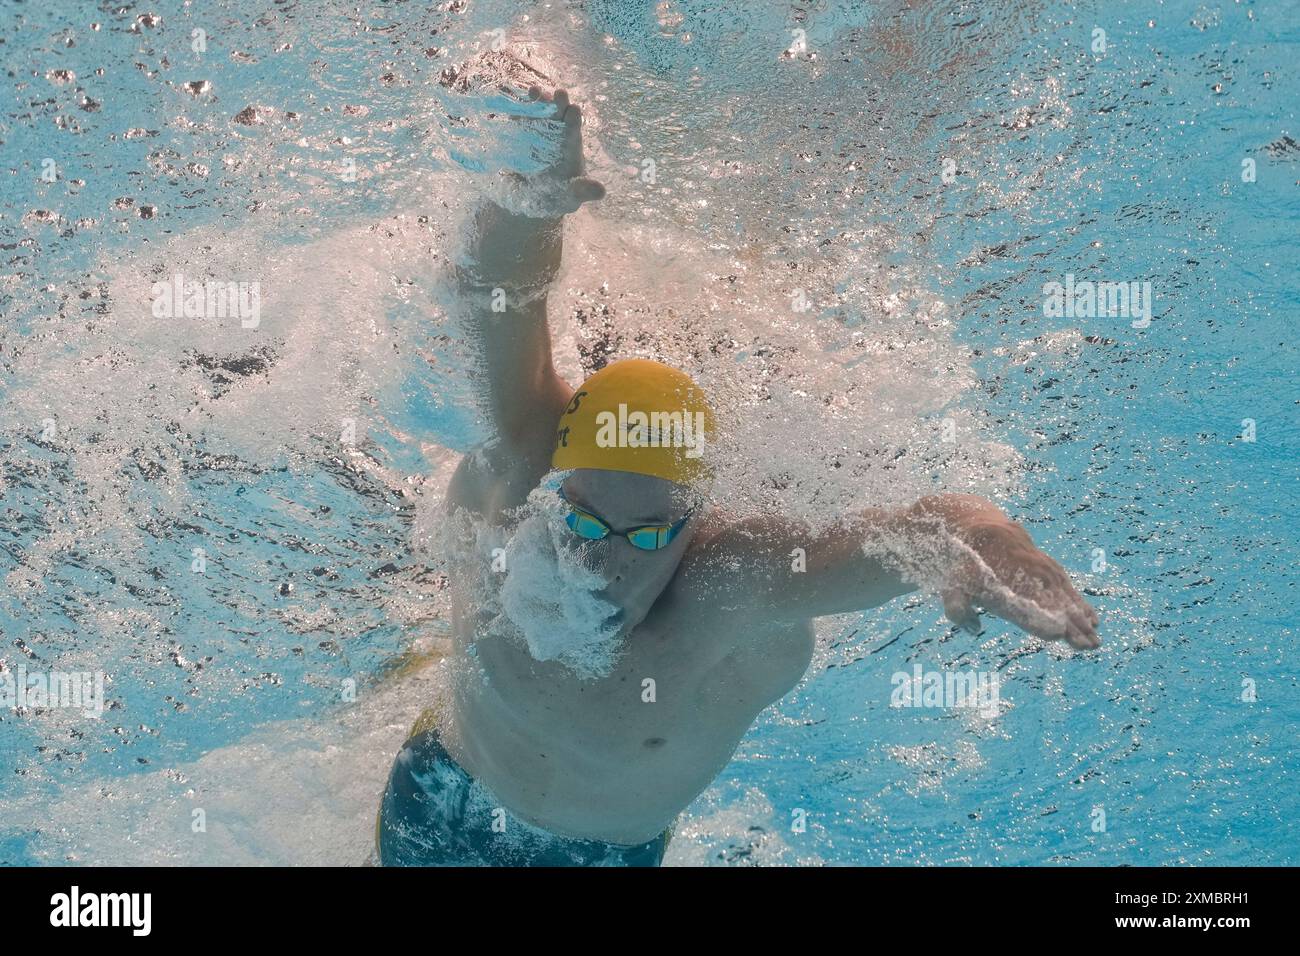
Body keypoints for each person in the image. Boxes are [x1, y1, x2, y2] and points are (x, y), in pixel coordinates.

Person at [376, 80, 1100, 867]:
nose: (604, 559)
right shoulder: (506, 503)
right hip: (447, 798)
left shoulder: (731, 586)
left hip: (601, 855)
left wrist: (989, 545)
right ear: (558, 487)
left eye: (648, 533)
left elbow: (914, 531)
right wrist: (527, 204)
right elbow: (494, 304)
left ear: (694, 526)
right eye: (582, 519)